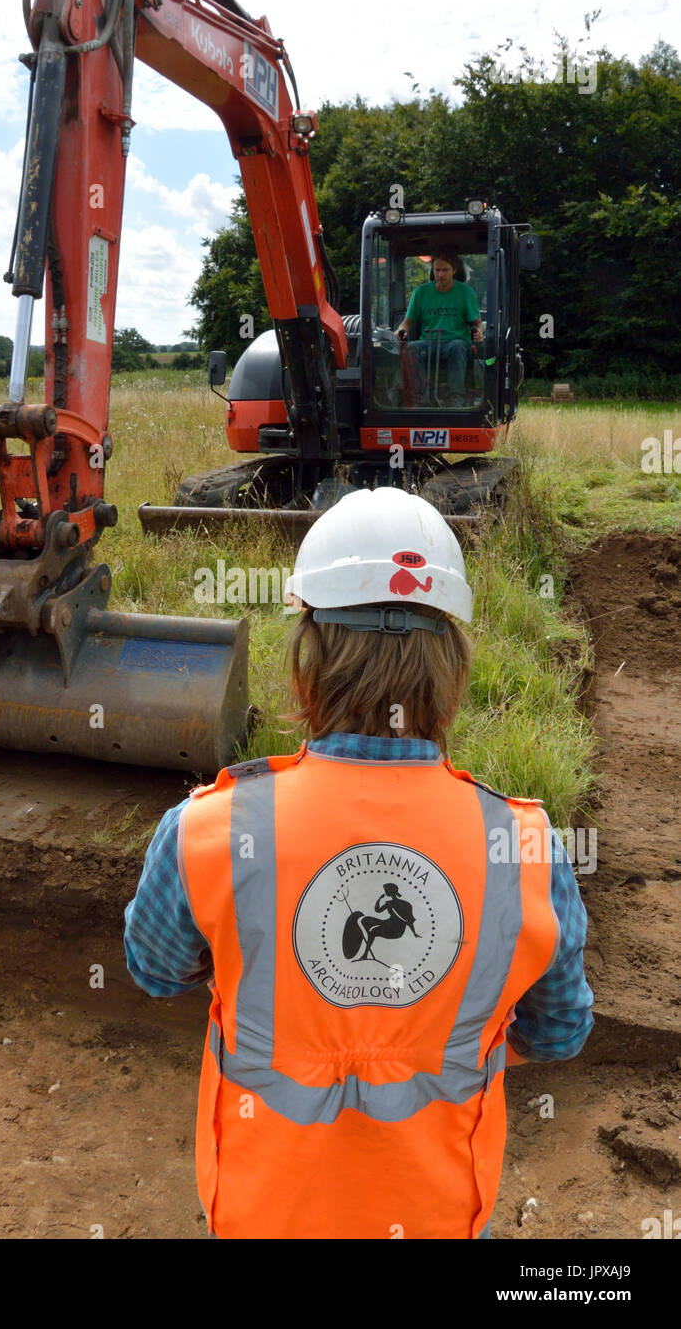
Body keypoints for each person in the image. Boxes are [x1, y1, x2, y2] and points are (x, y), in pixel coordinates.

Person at [123, 488, 593, 1240]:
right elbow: (561, 1029)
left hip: (261, 1213)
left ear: (308, 666)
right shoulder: (526, 847)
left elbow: (154, 970)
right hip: (438, 1217)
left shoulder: (209, 829)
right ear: (451, 670)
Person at [396, 249, 484, 407]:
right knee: (411, 348)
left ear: (454, 270)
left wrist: (479, 333)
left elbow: (477, 323)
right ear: (432, 270)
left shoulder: (465, 292)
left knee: (457, 346)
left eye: (445, 270)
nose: (440, 274)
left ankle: (456, 397)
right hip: (428, 343)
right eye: (437, 270)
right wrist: (400, 332)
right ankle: (418, 398)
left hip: (455, 342)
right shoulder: (421, 292)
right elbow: (407, 323)